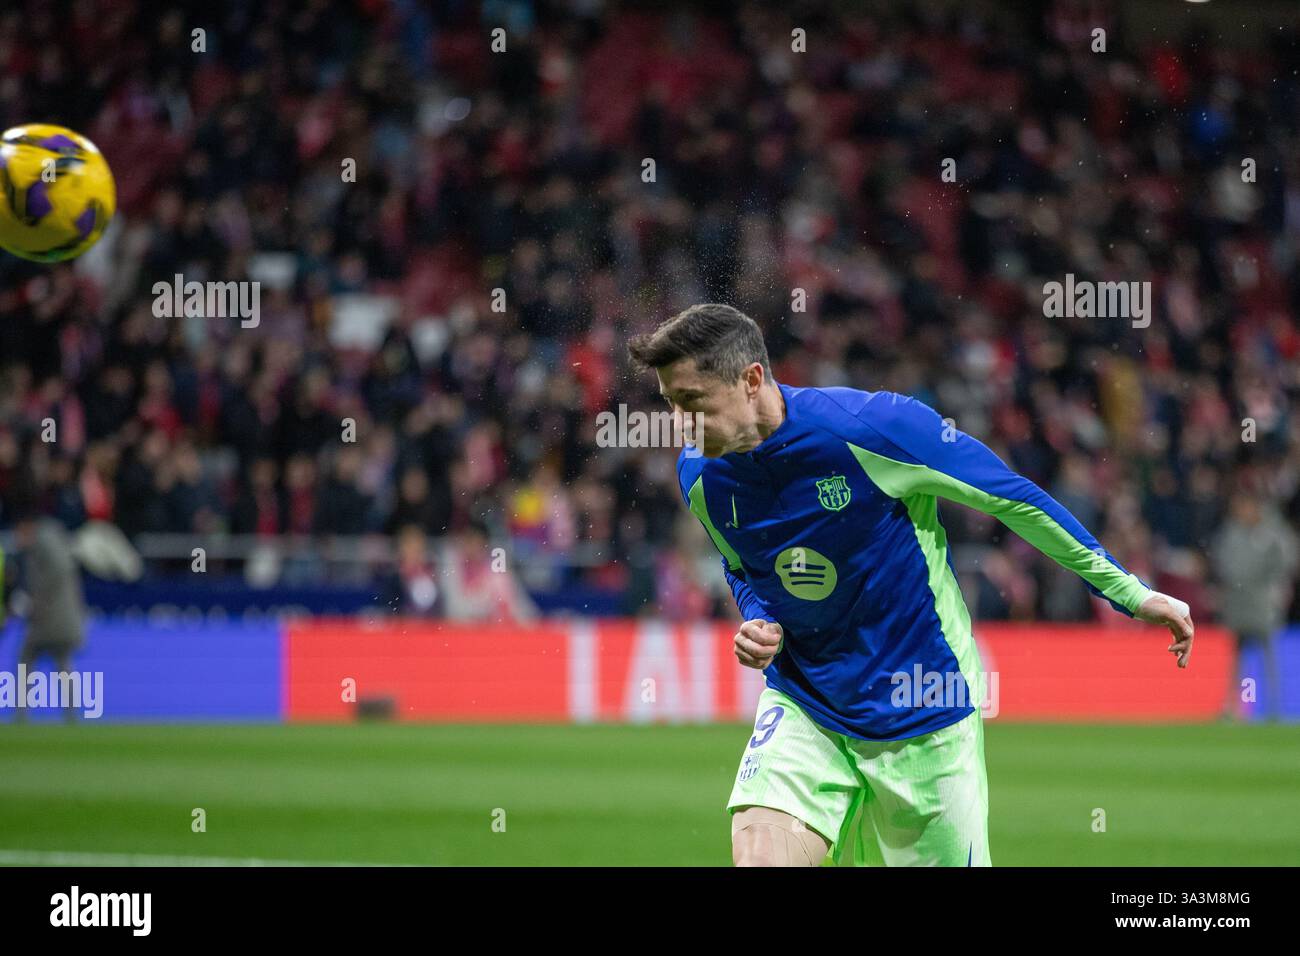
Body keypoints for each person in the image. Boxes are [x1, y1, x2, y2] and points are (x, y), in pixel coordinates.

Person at [629, 303, 1195, 867]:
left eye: (693, 403)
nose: (680, 425)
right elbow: (743, 567)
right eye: (671, 405)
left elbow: (1013, 498)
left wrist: (1129, 591)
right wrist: (759, 616)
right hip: (807, 700)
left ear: (751, 379)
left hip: (924, 706)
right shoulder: (700, 474)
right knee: (760, 857)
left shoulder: (872, 429)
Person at [1211, 491, 1298, 721]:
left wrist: (1259, 577)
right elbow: (1225, 565)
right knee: (1235, 659)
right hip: (1239, 605)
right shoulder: (1231, 534)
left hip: (1262, 605)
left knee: (1269, 656)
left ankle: (1274, 707)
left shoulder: (1271, 533)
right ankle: (1232, 708)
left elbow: (1286, 560)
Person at [11, 511, 88, 724]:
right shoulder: (51, 540)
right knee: (61, 662)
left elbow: (60, 569)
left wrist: (37, 600)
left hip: (50, 618)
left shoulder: (45, 542)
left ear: (26, 527)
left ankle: (21, 713)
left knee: (27, 660)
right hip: (60, 618)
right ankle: (71, 712)